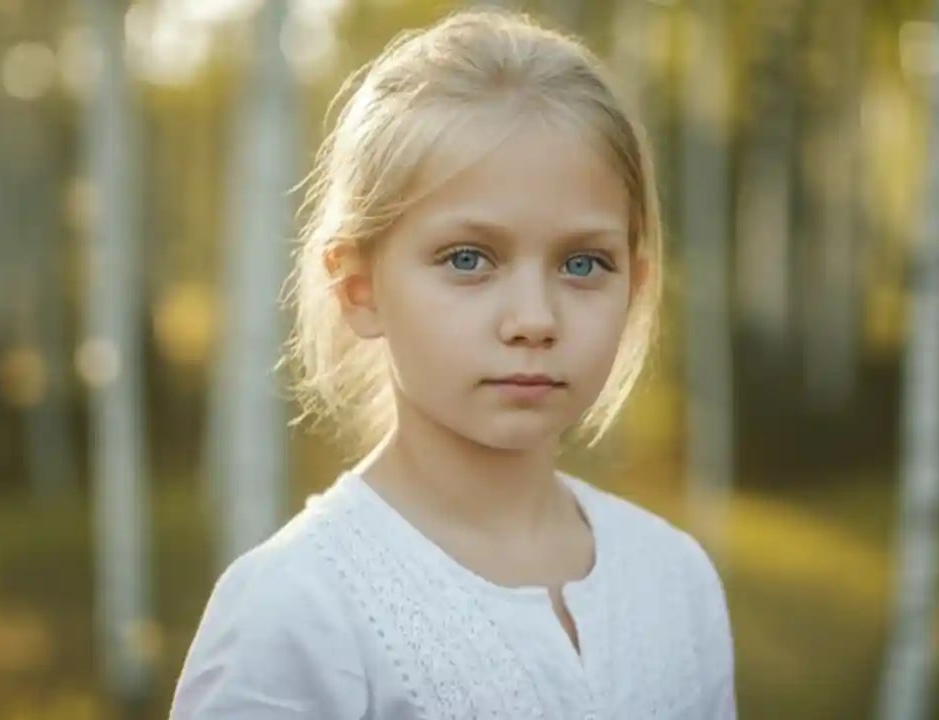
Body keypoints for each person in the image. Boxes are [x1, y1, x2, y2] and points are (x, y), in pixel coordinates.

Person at [170, 8, 735, 719]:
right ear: (359, 288)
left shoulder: (675, 580)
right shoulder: (295, 610)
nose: (534, 319)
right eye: (468, 259)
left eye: (583, 263)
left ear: (637, 284)